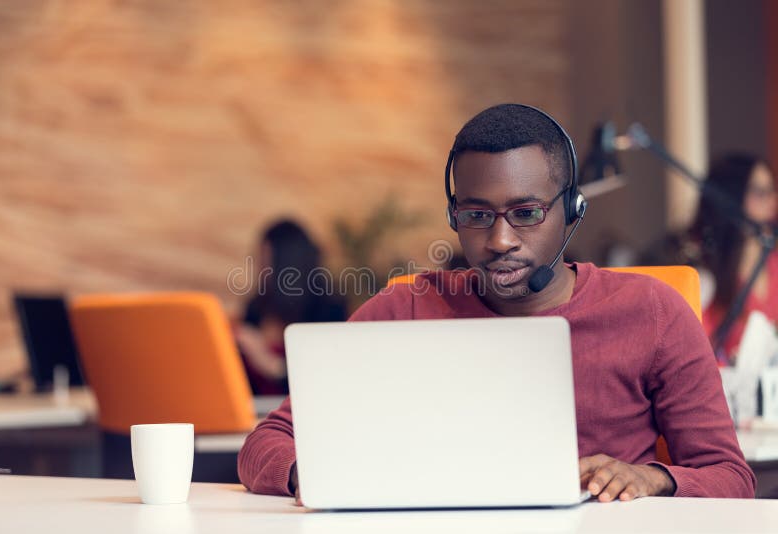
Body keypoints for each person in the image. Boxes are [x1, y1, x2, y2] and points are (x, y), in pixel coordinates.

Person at [238, 104, 755, 501]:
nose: (501, 240)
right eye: (476, 215)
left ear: (571, 211)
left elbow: (731, 477)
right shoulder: (404, 310)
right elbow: (265, 443)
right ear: (454, 215)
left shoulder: (652, 312)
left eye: (526, 213)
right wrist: (316, 473)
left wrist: (651, 478)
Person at [236, 220, 347, 395]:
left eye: (267, 260)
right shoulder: (256, 307)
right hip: (254, 412)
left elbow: (328, 380)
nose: (260, 267)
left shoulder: (328, 310)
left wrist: (270, 363)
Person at [687, 154, 778, 362]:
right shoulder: (707, 280)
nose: (772, 202)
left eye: (771, 190)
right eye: (760, 192)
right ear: (731, 198)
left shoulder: (774, 264)